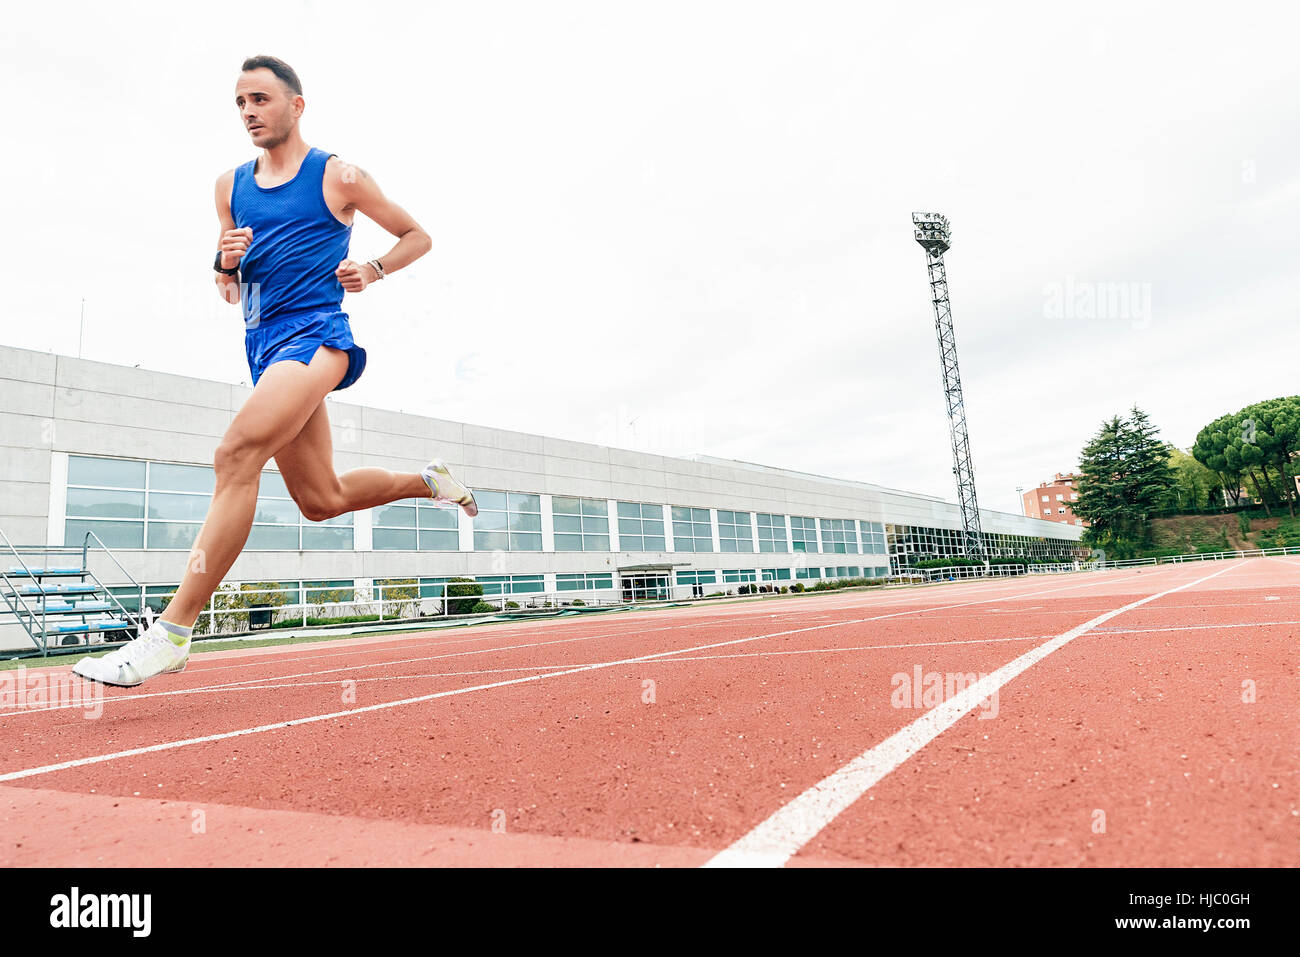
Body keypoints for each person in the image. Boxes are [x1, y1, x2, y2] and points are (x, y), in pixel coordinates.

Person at [74, 55, 476, 687]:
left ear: (296, 105)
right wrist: (225, 263)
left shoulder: (339, 175)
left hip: (317, 337)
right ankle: (426, 482)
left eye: (260, 99)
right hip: (263, 345)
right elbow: (228, 287)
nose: (248, 113)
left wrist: (373, 269)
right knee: (321, 499)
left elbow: (416, 235)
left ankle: (171, 633)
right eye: (240, 103)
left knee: (235, 455)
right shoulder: (228, 186)